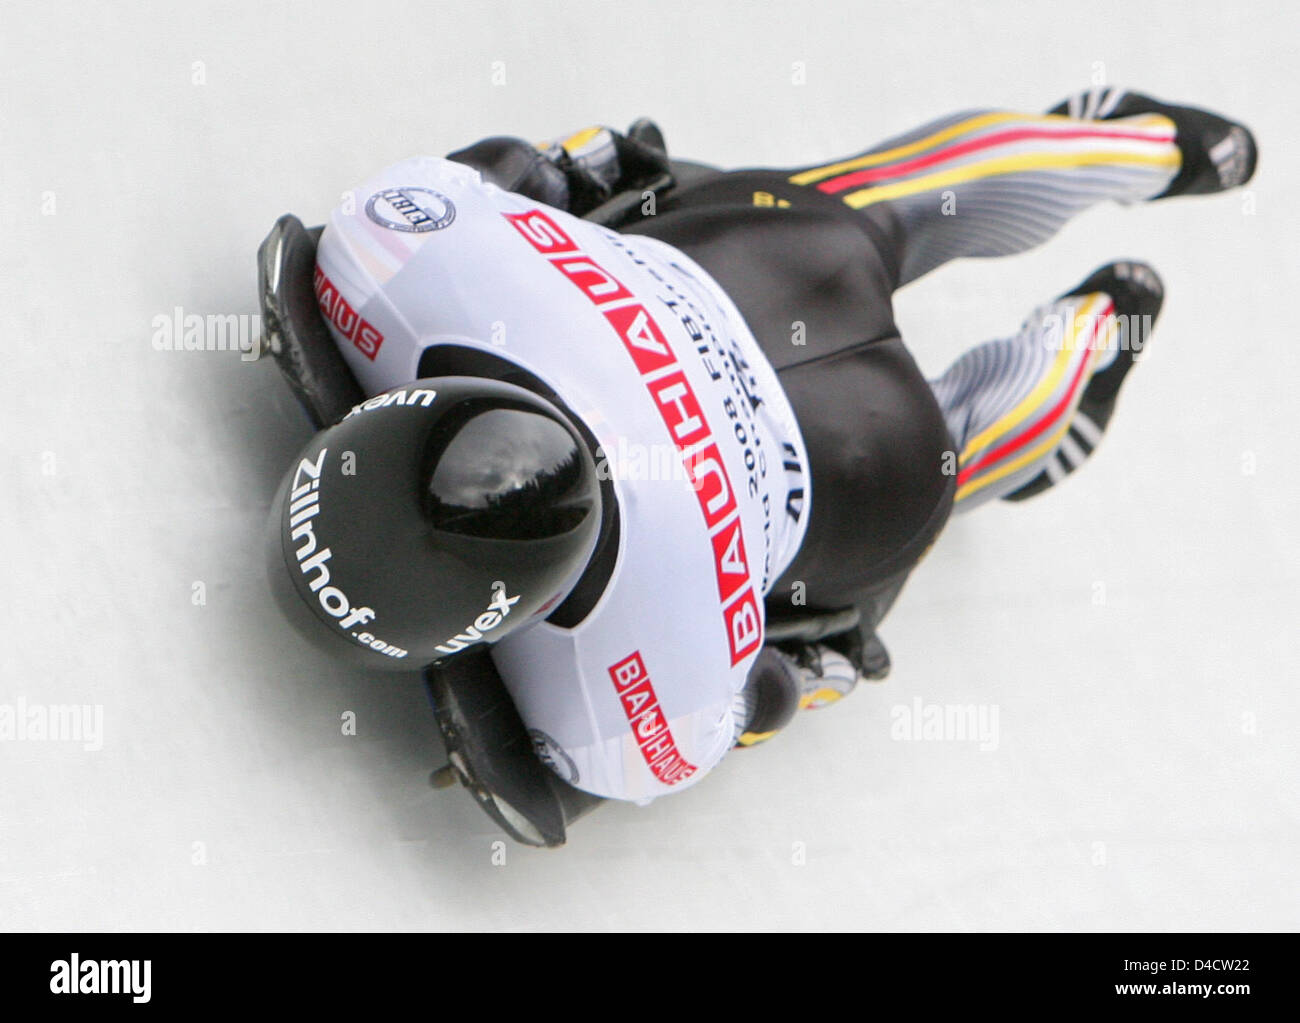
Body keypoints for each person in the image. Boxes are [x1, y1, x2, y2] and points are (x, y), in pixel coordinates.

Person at [268, 86, 1257, 804]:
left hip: (860, 468)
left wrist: (809, 670)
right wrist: (596, 169)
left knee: (937, 478)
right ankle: (1135, 144)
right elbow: (531, 169)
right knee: (890, 200)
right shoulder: (387, 263)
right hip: (762, 263)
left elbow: (760, 701)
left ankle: (1080, 350)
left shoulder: (618, 720)